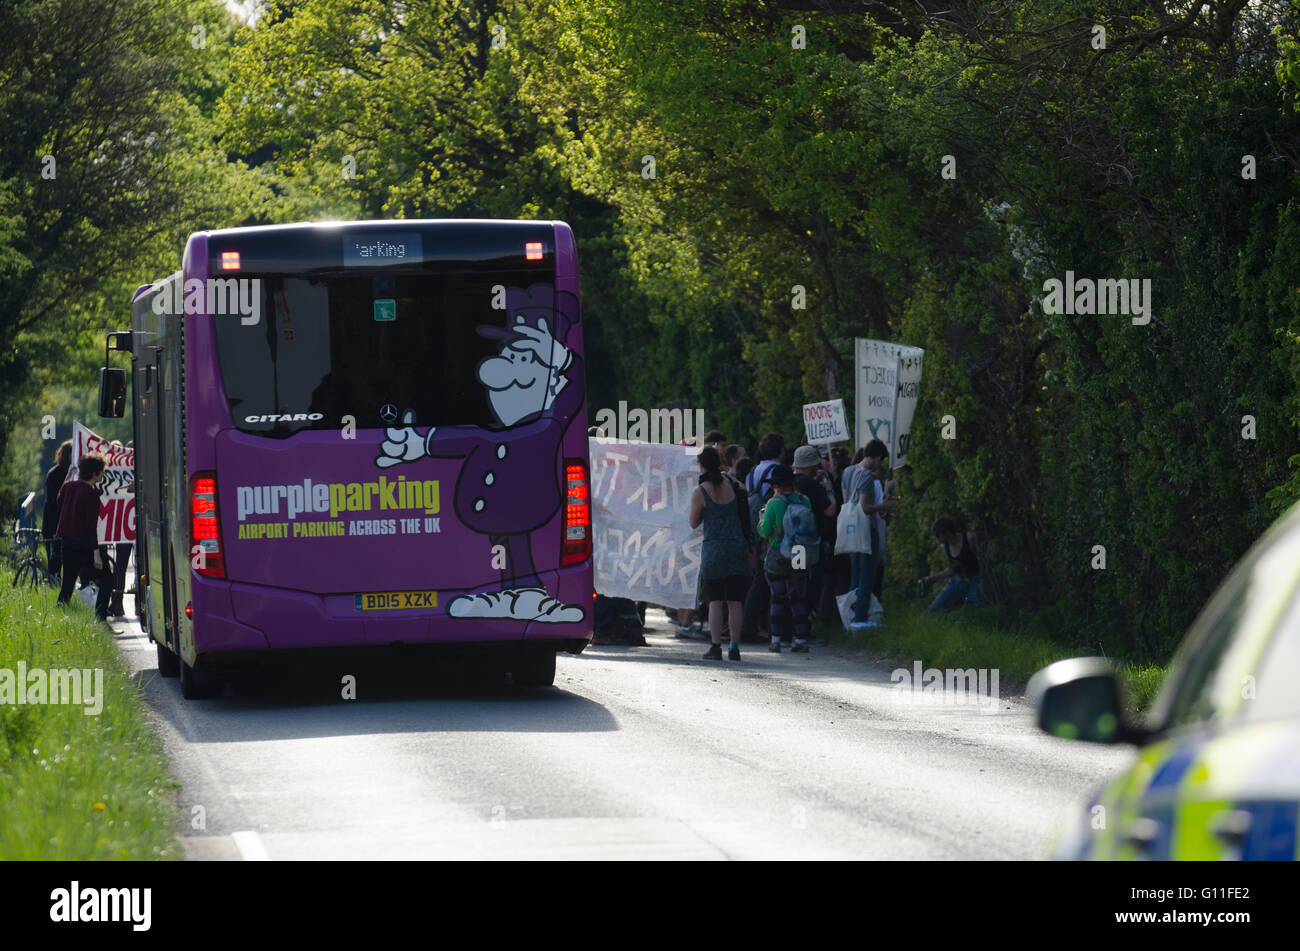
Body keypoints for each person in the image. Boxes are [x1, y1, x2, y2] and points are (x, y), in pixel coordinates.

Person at [690, 447, 750, 660]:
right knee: (735, 601)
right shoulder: (732, 485)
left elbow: (693, 522)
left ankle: (716, 647)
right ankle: (734, 647)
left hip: (714, 550)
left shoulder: (701, 491)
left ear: (701, 465)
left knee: (715, 600)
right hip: (736, 548)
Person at [757, 464, 813, 653]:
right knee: (798, 596)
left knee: (778, 596)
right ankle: (801, 639)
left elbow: (765, 531)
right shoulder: (804, 501)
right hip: (800, 551)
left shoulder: (774, 504)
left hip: (778, 552)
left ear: (777, 486)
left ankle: (776, 640)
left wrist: (760, 521)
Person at [841, 440, 893, 631]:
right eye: (881, 461)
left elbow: (846, 499)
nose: (880, 465)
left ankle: (849, 616)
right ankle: (859, 619)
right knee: (867, 576)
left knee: (855, 575)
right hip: (866, 530)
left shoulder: (848, 471)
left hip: (850, 529)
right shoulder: (866, 476)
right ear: (878, 457)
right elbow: (865, 507)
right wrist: (883, 506)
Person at [738, 432, 784, 643]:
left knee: (758, 577)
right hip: (770, 527)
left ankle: (753, 624)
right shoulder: (775, 470)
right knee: (768, 578)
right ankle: (756, 626)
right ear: (781, 451)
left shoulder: (753, 470)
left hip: (754, 522)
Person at [55, 453, 113, 620]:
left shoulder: (68, 487)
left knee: (67, 585)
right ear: (95, 473)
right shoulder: (92, 495)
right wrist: (96, 554)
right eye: (102, 471)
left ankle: (58, 618)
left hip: (67, 543)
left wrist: (67, 477)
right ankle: (100, 619)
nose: (103, 474)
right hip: (84, 546)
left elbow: (59, 500)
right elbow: (90, 527)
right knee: (108, 579)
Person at [791, 445, 837, 635]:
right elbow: (829, 510)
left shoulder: (791, 482)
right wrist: (829, 491)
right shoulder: (812, 486)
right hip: (809, 544)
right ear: (812, 465)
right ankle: (804, 629)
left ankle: (790, 628)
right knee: (809, 584)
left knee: (795, 583)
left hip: (792, 543)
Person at [922, 517, 984, 612]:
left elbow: (983, 562)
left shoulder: (969, 538)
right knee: (932, 610)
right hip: (958, 582)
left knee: (977, 609)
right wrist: (934, 578)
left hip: (975, 580)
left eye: (938, 535)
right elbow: (952, 570)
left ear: (945, 533)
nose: (937, 539)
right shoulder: (946, 548)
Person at [41, 439, 72, 576]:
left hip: (67, 525)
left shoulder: (75, 473)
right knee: (54, 564)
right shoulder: (54, 474)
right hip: (53, 523)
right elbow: (56, 500)